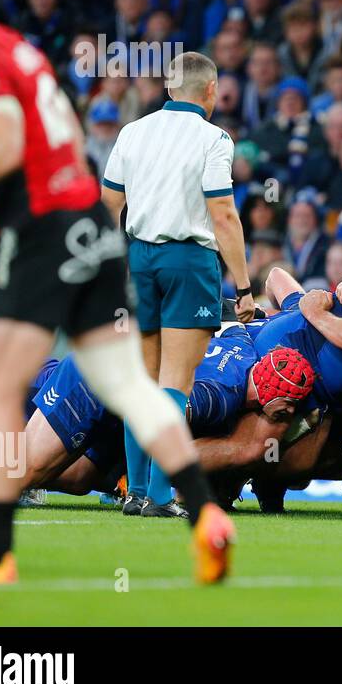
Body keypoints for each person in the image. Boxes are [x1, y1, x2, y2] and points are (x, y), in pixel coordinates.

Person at [0, 0, 233, 585]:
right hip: (92, 231)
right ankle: (204, 516)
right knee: (132, 385)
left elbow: (4, 144)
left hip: (39, 233)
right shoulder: (9, 44)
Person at [102, 52, 255, 517]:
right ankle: (164, 496)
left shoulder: (133, 131)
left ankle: (137, 492)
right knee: (175, 383)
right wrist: (245, 288)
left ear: (170, 89)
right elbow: (223, 214)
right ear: (209, 92)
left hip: (139, 259)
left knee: (143, 381)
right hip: (189, 260)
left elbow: (109, 204)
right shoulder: (214, 138)